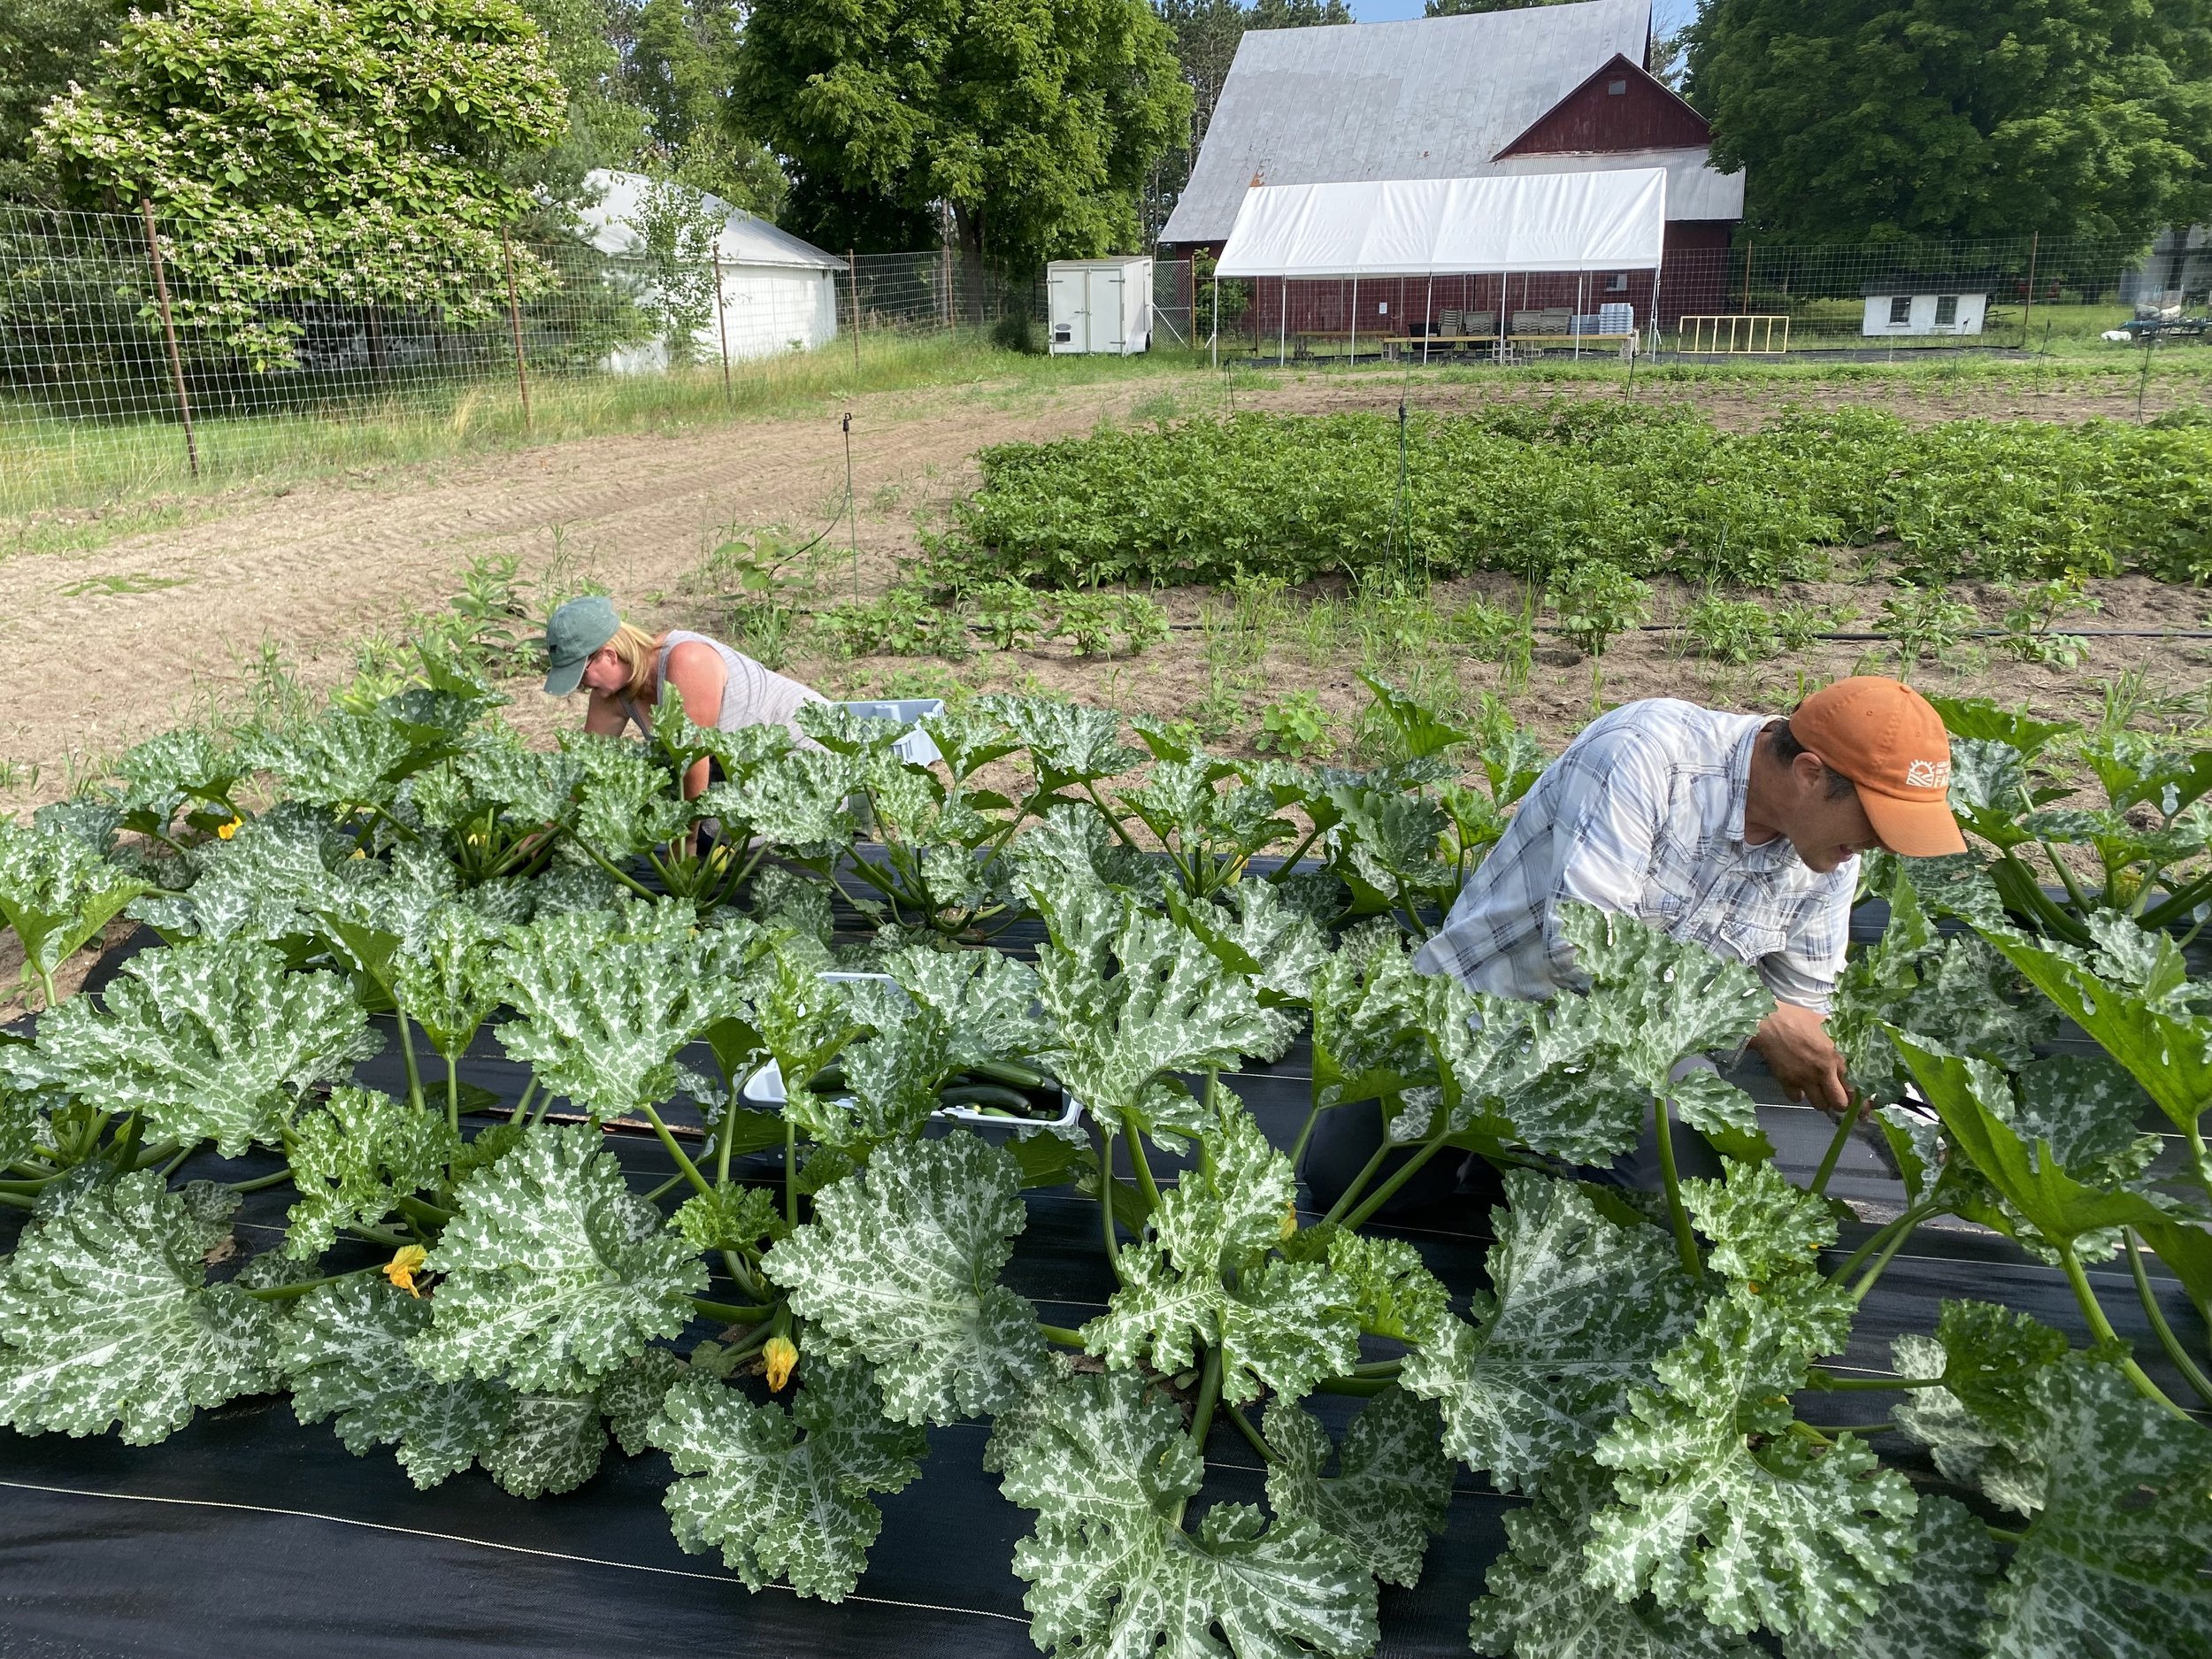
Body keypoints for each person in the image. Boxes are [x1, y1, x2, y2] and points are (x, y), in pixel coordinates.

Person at [1302, 676, 1968, 1211]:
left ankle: (1556, 1167)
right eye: (1877, 821)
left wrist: (1934, 1145)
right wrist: (1756, 1016)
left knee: (1684, 1206)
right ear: (1810, 774)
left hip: (1630, 1067)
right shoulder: (1646, 753)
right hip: (1483, 1024)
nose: (1880, 844)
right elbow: (1581, 946)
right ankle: (1519, 1158)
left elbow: (1808, 1012)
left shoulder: (1829, 853)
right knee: (1344, 1183)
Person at [539, 595, 827, 804]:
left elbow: (694, 758)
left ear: (609, 655)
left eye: (582, 675)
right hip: (750, 776)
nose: (581, 686)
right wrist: (550, 821)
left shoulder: (687, 660)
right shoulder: (611, 692)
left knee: (709, 841)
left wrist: (684, 841)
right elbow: (584, 763)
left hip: (807, 762)